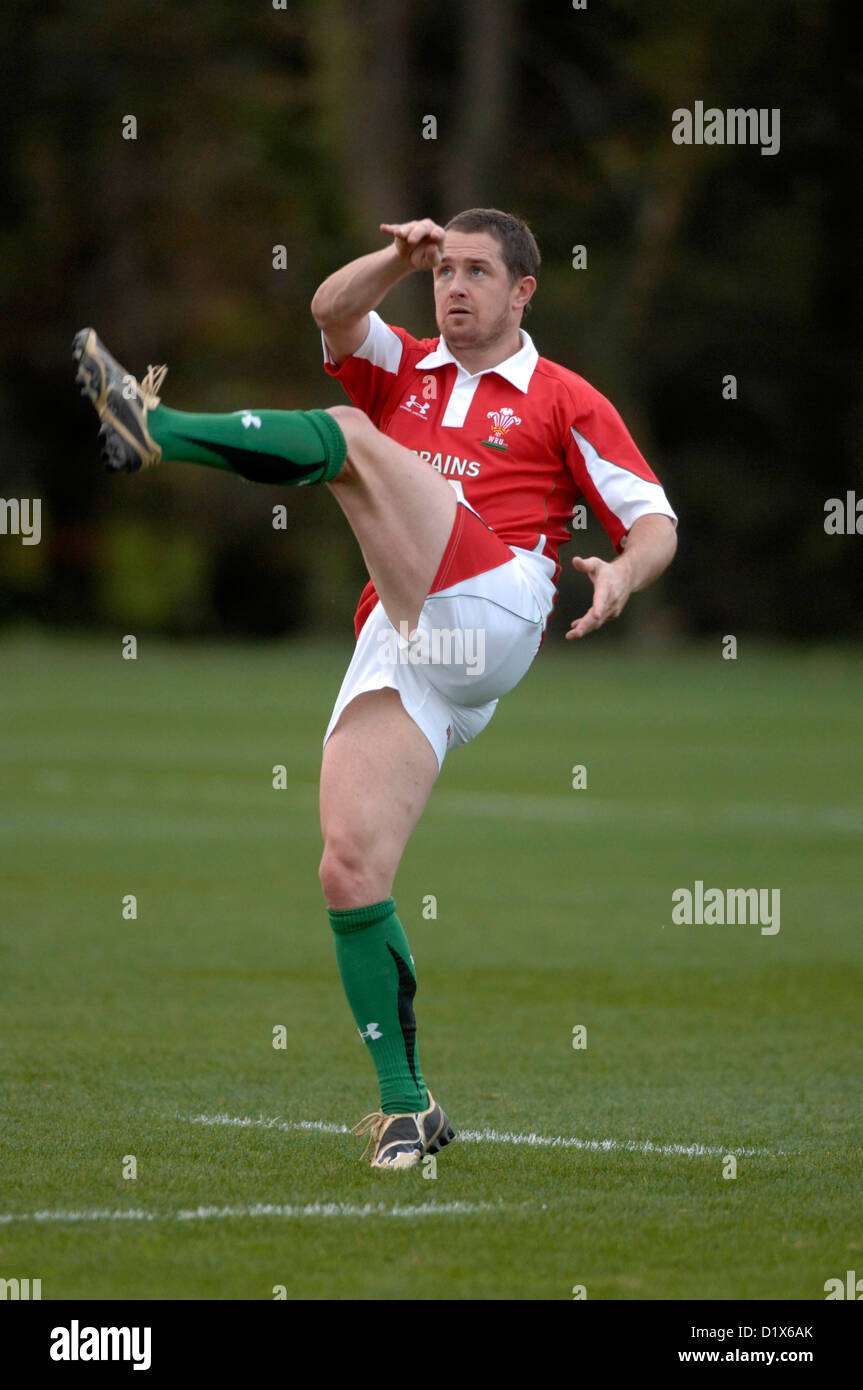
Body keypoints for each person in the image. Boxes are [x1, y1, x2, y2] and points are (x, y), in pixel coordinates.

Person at [73, 208, 678, 1170]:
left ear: (523, 291)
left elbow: (653, 521)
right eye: (446, 272)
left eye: (477, 272)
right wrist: (396, 258)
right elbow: (330, 311)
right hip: (404, 635)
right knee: (348, 866)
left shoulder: (563, 398)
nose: (456, 288)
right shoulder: (408, 362)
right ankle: (409, 1111)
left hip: (498, 608)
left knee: (350, 435)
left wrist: (621, 573)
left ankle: (157, 429)